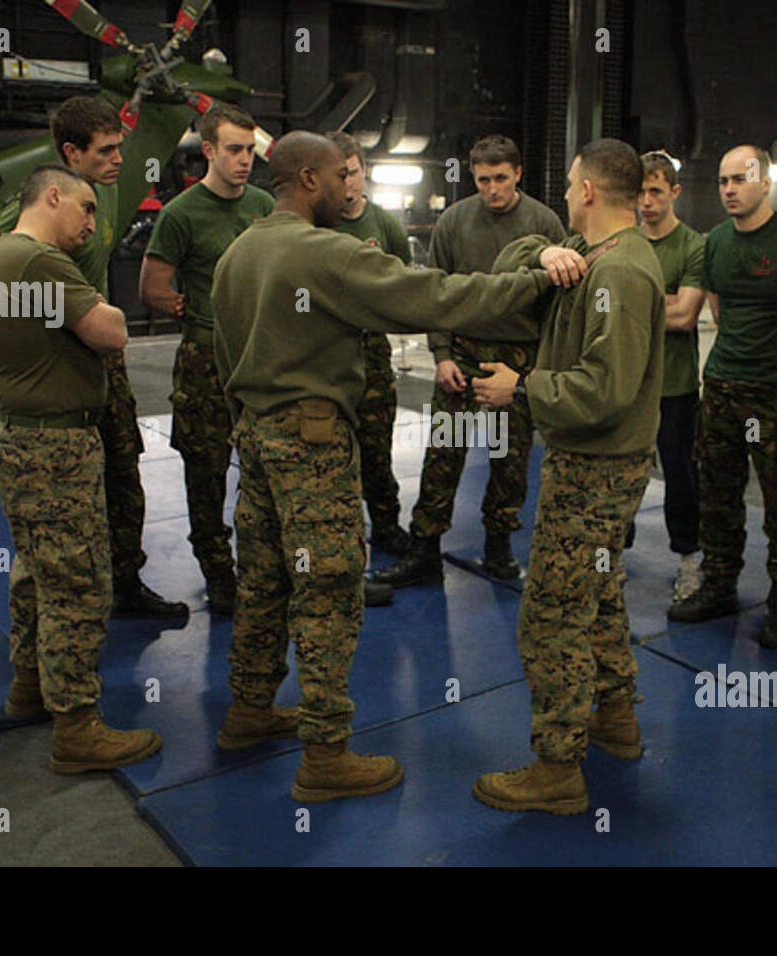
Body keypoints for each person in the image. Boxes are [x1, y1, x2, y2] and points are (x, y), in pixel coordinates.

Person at [209, 131, 557, 802]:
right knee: (329, 589)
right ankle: (326, 755)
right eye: (343, 173)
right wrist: (538, 279)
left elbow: (225, 354)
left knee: (263, 580)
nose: (353, 185)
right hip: (310, 438)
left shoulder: (239, 252)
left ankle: (249, 710)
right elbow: (439, 298)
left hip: (253, 433)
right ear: (308, 179)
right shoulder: (326, 254)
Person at [470, 138, 664, 814]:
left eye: (569, 182)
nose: (564, 194)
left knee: (552, 613)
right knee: (601, 594)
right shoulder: (595, 260)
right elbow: (506, 268)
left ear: (585, 191)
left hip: (597, 466)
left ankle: (558, 768)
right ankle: (614, 718)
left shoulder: (620, 275)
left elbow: (605, 389)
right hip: (588, 460)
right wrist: (539, 252)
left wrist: (522, 388)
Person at [0, 95, 187, 619]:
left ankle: (123, 582)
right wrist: (54, 311)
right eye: (107, 150)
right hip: (68, 355)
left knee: (122, 471)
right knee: (67, 491)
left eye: (119, 148)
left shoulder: (101, 193)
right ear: (71, 153)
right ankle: (71, 597)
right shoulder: (46, 200)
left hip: (105, 359)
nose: (119, 160)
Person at [0, 164, 162, 773]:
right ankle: (77, 727)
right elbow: (110, 331)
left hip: (19, 435)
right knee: (79, 584)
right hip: (53, 446)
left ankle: (29, 685)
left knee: (35, 568)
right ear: (51, 197)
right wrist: (105, 307)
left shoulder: (2, 253)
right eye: (85, 207)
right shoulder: (40, 262)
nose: (93, 222)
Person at [374, 134, 566, 588]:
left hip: (517, 356)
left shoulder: (544, 223)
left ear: (517, 173)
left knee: (510, 459)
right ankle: (425, 550)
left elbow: (559, 304)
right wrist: (441, 355)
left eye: (501, 178)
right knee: (443, 456)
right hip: (463, 352)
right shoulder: (455, 222)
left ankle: (498, 546)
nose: (492, 189)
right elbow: (434, 292)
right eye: (483, 180)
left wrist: (534, 369)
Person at [668, 144, 777, 650]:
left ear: (765, 182)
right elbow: (719, 307)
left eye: (739, 179)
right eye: (722, 181)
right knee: (718, 497)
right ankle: (720, 584)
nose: (729, 189)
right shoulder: (715, 242)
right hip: (720, 389)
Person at [139, 104, 273, 616]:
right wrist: (188, 309)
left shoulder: (264, 205)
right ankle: (218, 573)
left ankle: (263, 564)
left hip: (259, 356)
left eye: (250, 150)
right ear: (210, 151)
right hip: (205, 359)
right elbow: (152, 286)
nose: (244, 160)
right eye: (234, 150)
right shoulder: (181, 213)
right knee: (207, 470)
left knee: (264, 465)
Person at [326, 131, 412, 557]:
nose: (347, 184)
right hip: (326, 350)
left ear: (364, 172)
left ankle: (386, 524)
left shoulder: (383, 223)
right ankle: (340, 536)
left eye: (353, 173)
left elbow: (404, 281)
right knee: (331, 452)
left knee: (377, 448)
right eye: (338, 175)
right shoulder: (315, 223)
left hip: (372, 353)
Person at [638, 149, 707, 603]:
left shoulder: (693, 246)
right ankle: (609, 559)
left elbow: (684, 315)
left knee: (680, 476)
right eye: (640, 192)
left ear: (674, 192)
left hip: (676, 386)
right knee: (620, 473)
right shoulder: (626, 239)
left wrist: (631, 302)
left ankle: (689, 559)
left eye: (655, 191)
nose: (646, 201)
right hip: (628, 384)